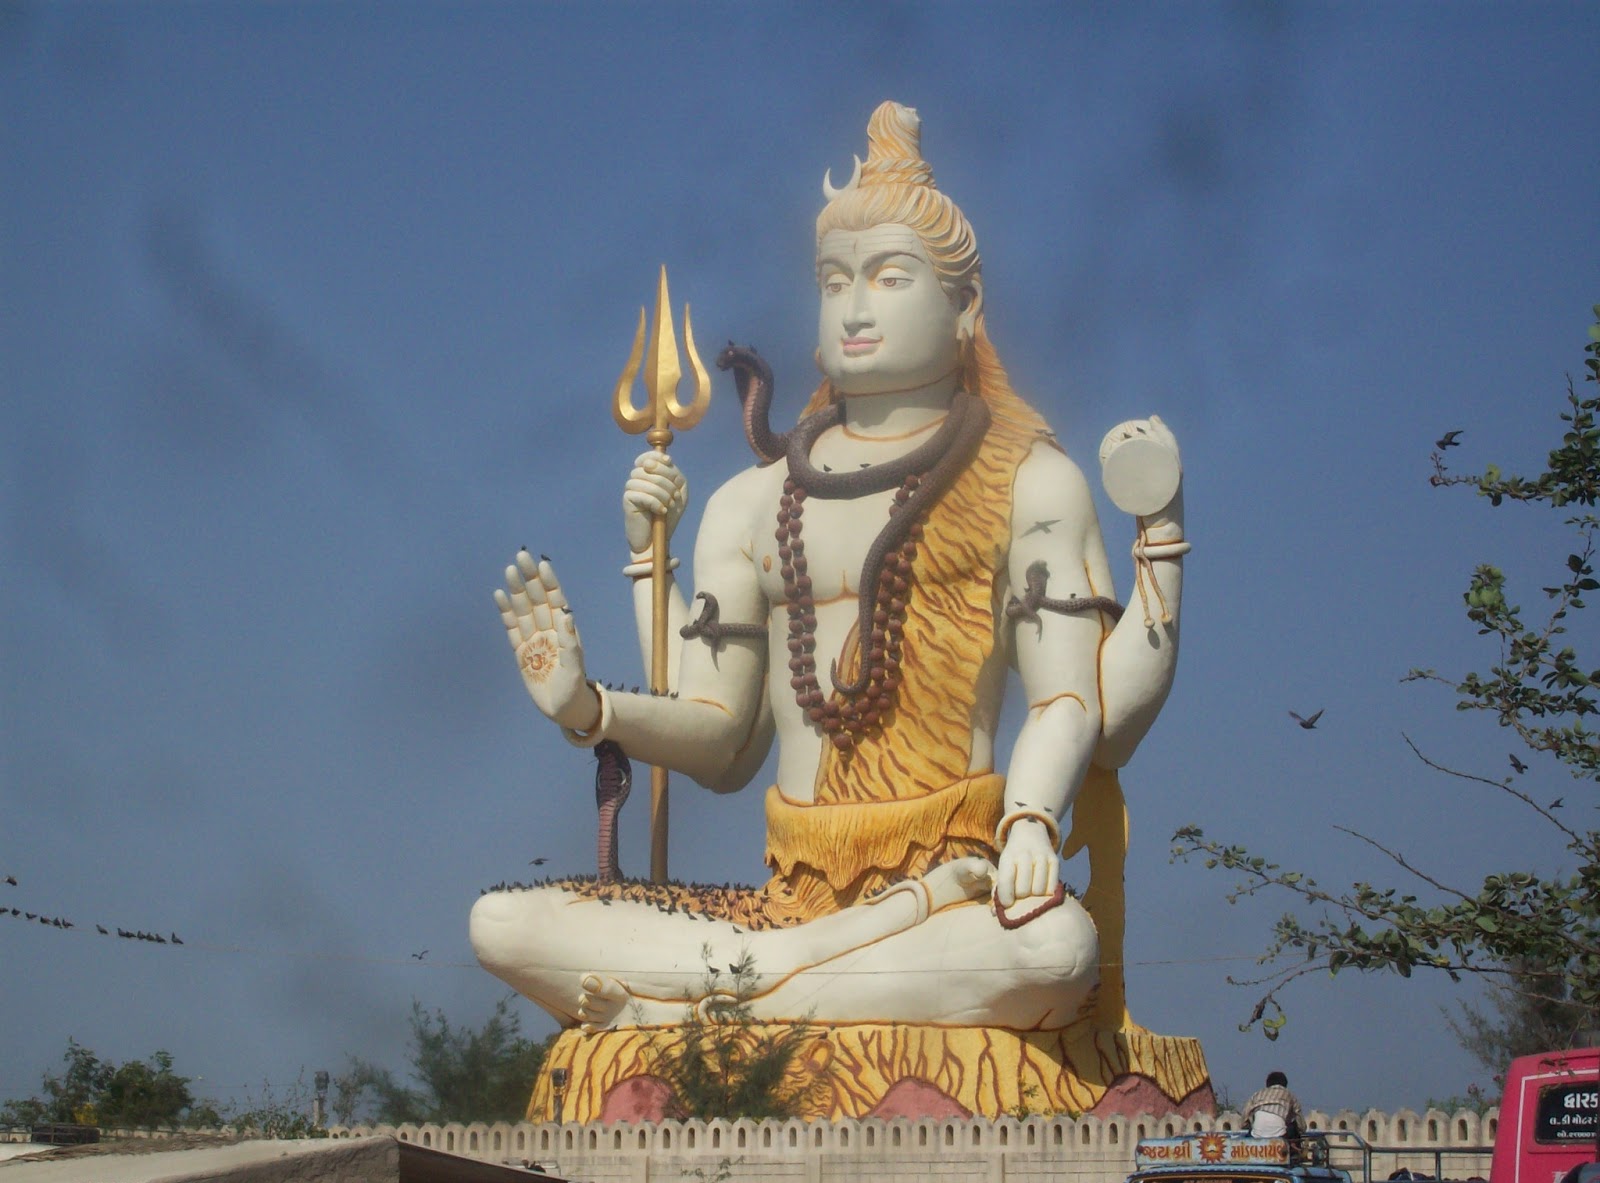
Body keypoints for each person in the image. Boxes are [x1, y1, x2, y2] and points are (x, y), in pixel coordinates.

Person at [471, 101, 1187, 1035]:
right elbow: (725, 742)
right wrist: (588, 709)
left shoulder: (1028, 481)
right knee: (504, 923)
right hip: (792, 898)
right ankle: (781, 978)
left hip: (955, 887)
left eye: (891, 277)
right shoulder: (749, 504)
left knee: (1052, 951)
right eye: (834, 279)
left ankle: (693, 1011)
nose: (854, 307)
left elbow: (1071, 704)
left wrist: (1030, 825)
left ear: (966, 307)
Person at [1245, 1071, 1305, 1139]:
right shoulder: (1289, 1095)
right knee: (1293, 1125)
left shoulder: (1256, 1094)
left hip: (1256, 1135)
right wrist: (1301, 1129)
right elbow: (1299, 1120)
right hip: (1281, 1135)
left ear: (1267, 1084)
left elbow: (1244, 1119)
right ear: (1285, 1085)